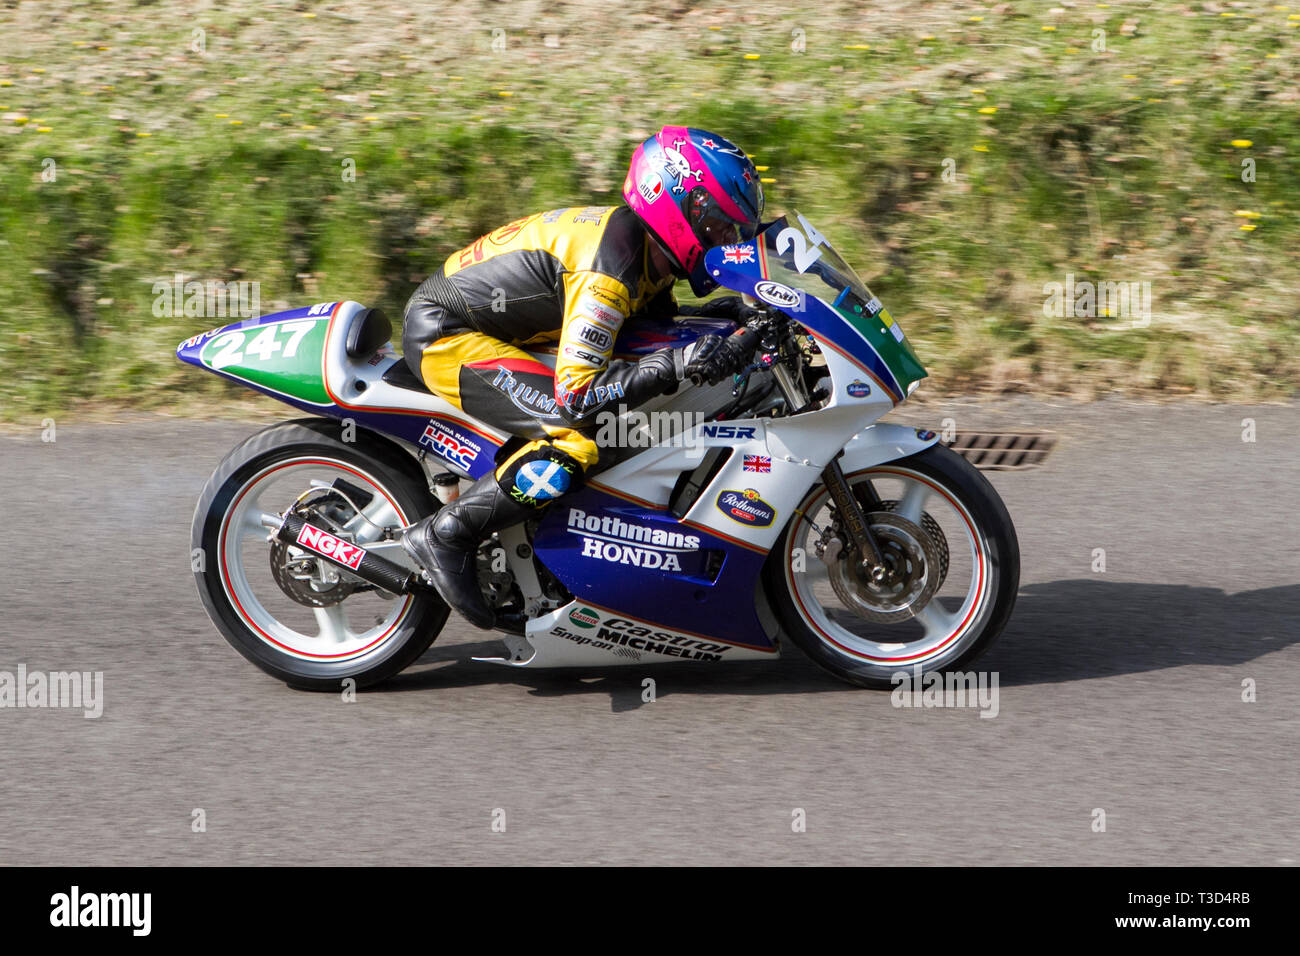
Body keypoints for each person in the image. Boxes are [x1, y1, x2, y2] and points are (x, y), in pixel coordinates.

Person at [400, 125, 764, 627]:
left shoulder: (645, 252)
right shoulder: (608, 271)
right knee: (578, 438)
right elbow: (578, 395)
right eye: (723, 224)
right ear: (680, 206)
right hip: (448, 337)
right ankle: (447, 533)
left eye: (738, 228)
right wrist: (677, 364)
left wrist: (725, 319)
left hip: (502, 330)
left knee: (633, 410)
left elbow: (652, 330)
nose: (731, 239)